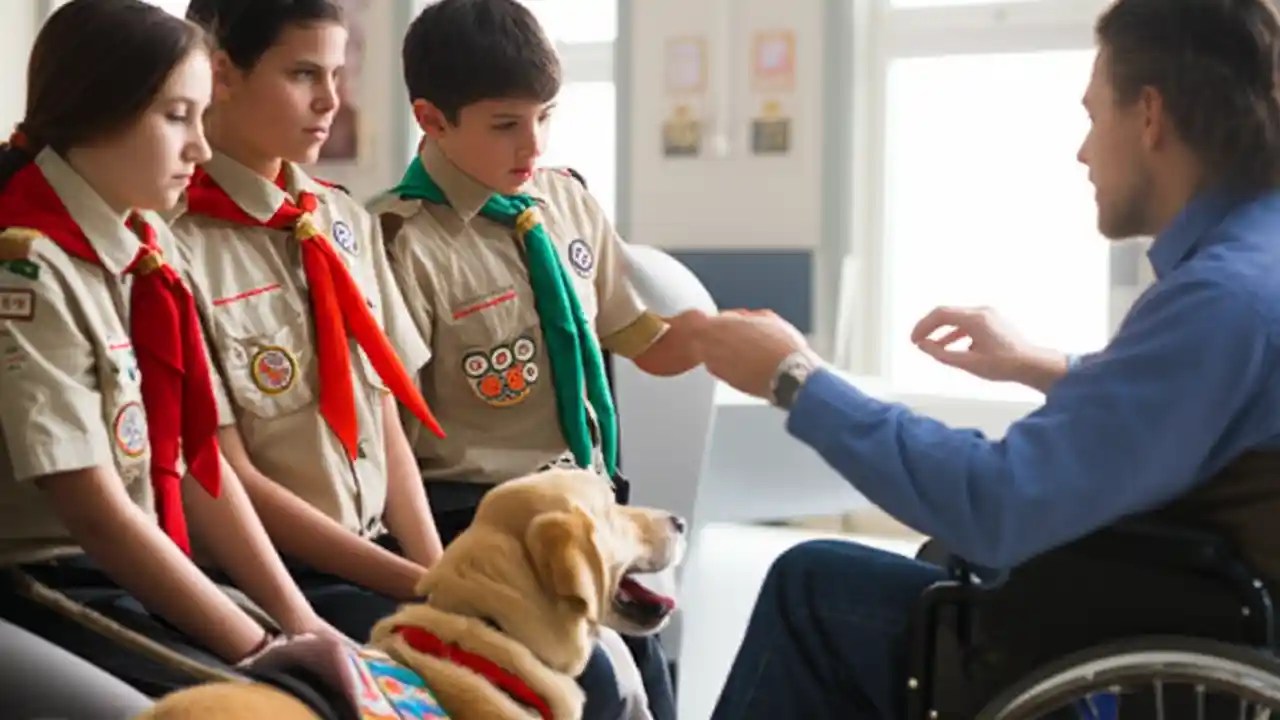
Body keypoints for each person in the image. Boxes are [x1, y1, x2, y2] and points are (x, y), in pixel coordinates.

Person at [694, 0, 1280, 717]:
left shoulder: (1221, 298)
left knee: (814, 585)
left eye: (1094, 116)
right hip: (1175, 621)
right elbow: (1207, 412)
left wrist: (795, 378)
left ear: (1150, 115)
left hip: (1135, 668)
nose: (1083, 151)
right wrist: (1047, 367)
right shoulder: (1257, 262)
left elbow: (995, 503)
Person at [0, 0, 346, 699]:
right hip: (50, 574)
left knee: (347, 680)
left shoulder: (146, 258)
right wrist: (257, 646)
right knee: (285, 705)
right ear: (96, 110)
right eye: (176, 116)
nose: (202, 148)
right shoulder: (27, 270)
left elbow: (193, 464)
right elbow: (95, 512)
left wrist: (301, 625)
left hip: (137, 565)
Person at [368, 2, 705, 717]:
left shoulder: (566, 201)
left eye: (545, 116)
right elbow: (385, 430)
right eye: (505, 124)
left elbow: (638, 334)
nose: (533, 144)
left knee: (653, 677)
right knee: (598, 688)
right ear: (431, 119)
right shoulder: (398, 239)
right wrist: (435, 578)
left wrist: (719, 339)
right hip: (476, 522)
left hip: (585, 502)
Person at [169, 0, 446, 643]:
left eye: (336, 74)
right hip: (264, 576)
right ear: (222, 74)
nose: (331, 101)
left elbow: (382, 421)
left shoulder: (341, 221)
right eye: (302, 76)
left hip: (375, 557)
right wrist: (418, 589)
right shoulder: (174, 241)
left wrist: (439, 574)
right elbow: (225, 473)